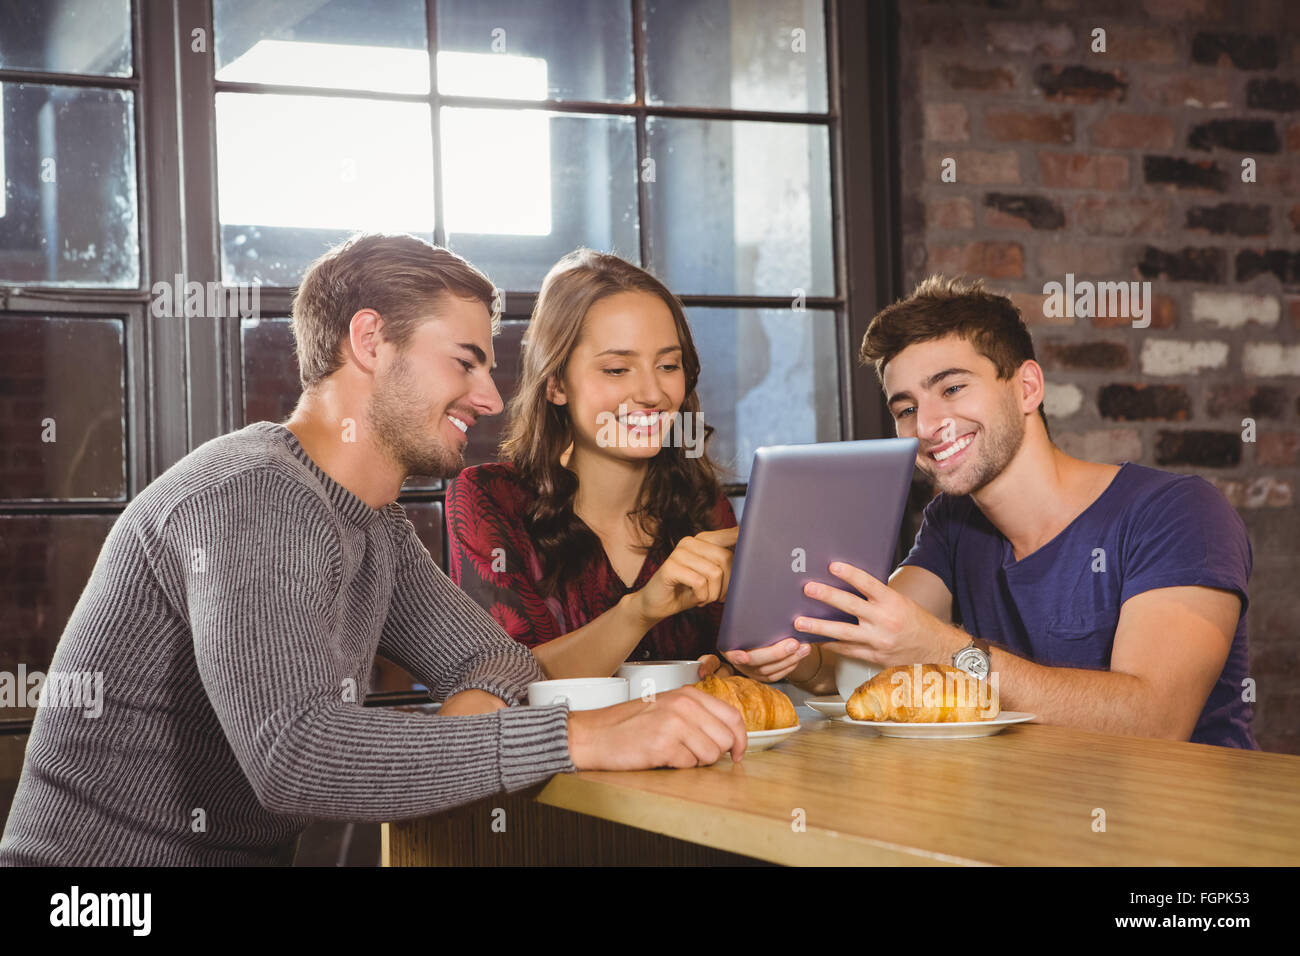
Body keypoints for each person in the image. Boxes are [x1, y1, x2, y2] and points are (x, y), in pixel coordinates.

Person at [0, 234, 746, 867]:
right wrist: (573, 737)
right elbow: (296, 756)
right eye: (465, 363)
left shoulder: (372, 523)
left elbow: (500, 661)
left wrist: (478, 733)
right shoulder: (252, 495)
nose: (489, 398)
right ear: (369, 342)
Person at [784, 274, 1255, 748]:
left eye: (951, 389)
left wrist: (948, 651)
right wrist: (793, 657)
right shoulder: (952, 522)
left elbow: (1155, 720)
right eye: (906, 409)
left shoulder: (1178, 513)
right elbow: (860, 655)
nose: (927, 426)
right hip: (1023, 810)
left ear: (1027, 387)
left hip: (1179, 815)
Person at [446, 249, 819, 686]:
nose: (651, 393)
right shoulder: (491, 499)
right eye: (618, 369)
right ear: (556, 383)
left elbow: (760, 666)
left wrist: (759, 662)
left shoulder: (703, 508)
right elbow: (503, 683)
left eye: (668, 365)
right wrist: (639, 611)